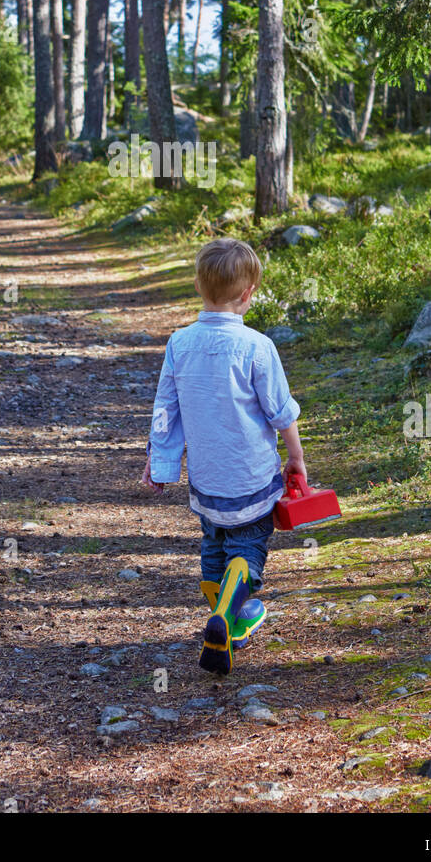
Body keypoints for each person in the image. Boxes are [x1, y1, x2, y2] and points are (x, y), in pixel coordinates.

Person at [141, 237, 306, 673]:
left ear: (198, 286)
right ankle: (228, 612)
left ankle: (228, 622)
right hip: (252, 480)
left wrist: (160, 464)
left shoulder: (179, 343)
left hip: (206, 482)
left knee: (214, 546)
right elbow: (280, 412)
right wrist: (297, 458)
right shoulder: (257, 346)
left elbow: (166, 409)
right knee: (248, 551)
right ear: (248, 294)